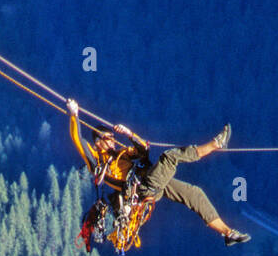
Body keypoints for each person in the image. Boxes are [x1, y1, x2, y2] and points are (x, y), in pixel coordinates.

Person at [66, 99, 250, 246]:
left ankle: (227, 233)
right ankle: (216, 144)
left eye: (113, 139)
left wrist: (129, 134)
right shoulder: (97, 161)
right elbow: (77, 139)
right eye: (108, 139)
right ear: (98, 142)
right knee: (169, 157)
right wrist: (74, 114)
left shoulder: (121, 154)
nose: (113, 142)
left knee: (194, 193)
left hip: (150, 182)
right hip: (142, 189)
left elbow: (143, 150)